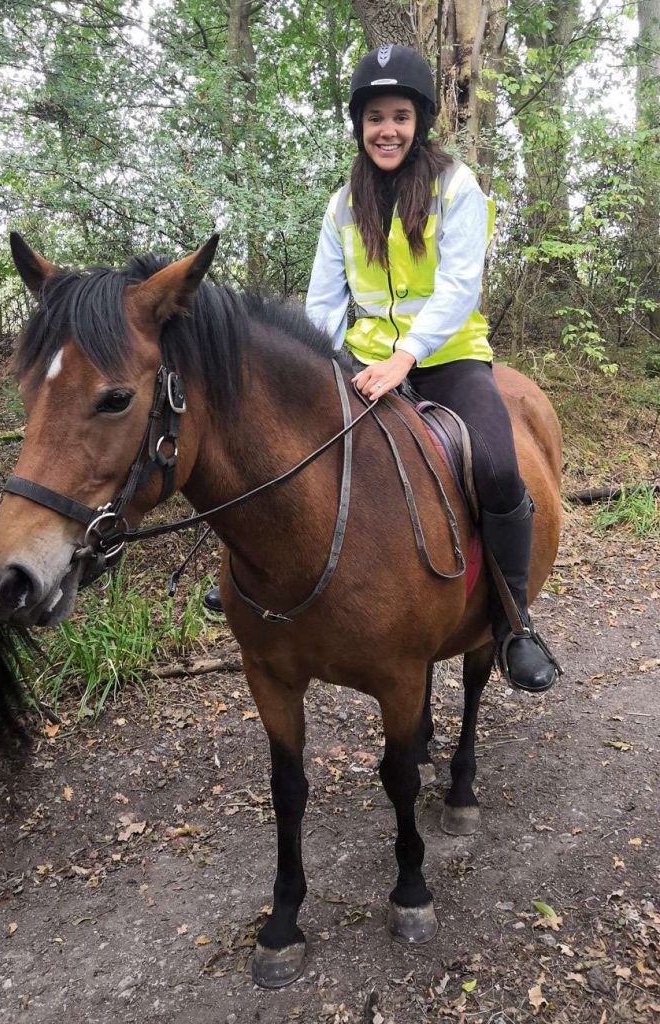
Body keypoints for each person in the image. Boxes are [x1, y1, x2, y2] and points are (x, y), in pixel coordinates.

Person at [301, 42, 559, 694]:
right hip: (363, 359)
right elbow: (324, 301)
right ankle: (266, 586)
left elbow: (457, 286)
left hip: (447, 358)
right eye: (374, 117)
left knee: (499, 466)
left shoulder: (455, 187)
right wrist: (313, 367)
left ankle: (514, 622)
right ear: (359, 125)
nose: (387, 130)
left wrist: (405, 357)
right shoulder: (342, 205)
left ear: (420, 122)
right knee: (284, 444)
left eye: (400, 116)